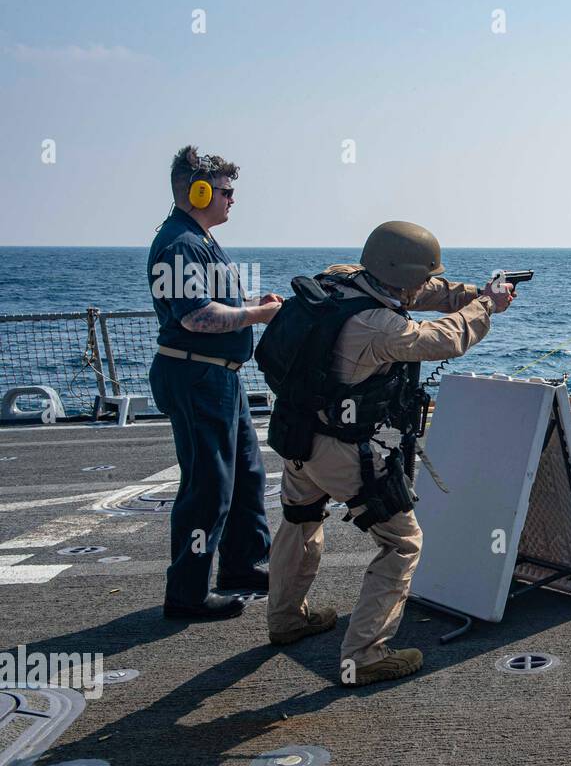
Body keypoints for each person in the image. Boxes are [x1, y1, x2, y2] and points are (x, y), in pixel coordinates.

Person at [264, 221, 514, 687]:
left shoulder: (337, 280)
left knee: (300, 521)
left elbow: (416, 292)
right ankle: (364, 654)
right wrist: (486, 306)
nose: (423, 286)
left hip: (297, 432)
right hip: (342, 450)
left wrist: (470, 293)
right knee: (402, 543)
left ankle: (284, 619)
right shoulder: (382, 328)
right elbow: (444, 339)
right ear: (405, 276)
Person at [147, 145, 283, 621]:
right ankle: (186, 591)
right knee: (209, 483)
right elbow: (196, 317)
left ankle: (243, 565)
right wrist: (260, 314)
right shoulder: (181, 243)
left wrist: (251, 308)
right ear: (199, 191)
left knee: (246, 473)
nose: (232, 199)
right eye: (225, 191)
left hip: (218, 376)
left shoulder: (197, 238)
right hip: (197, 373)